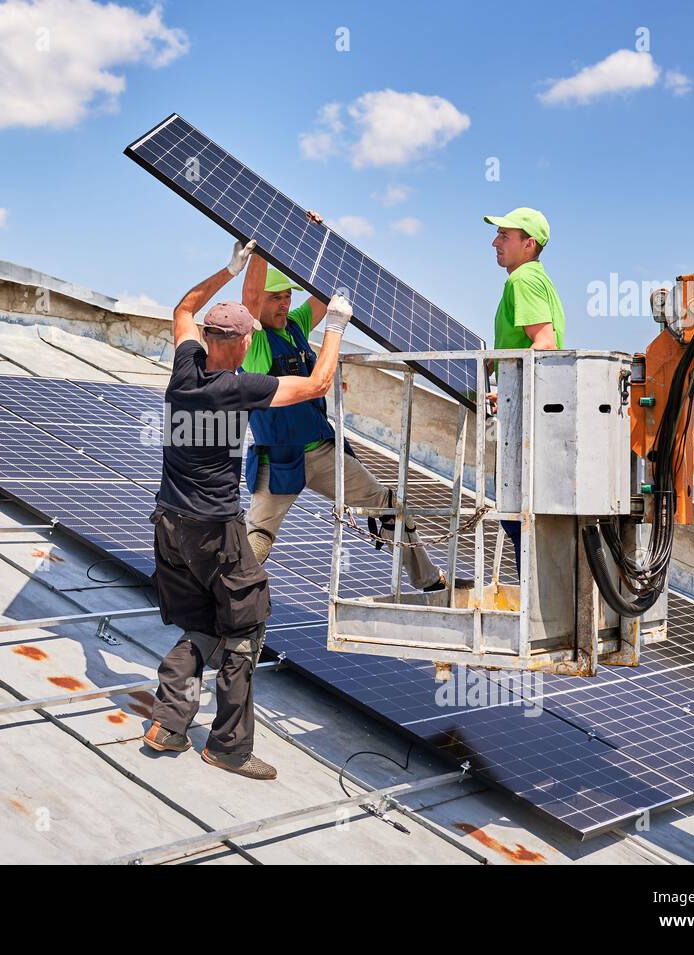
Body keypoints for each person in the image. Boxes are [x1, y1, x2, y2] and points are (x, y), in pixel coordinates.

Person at [143, 238, 352, 780]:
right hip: (214, 530)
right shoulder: (236, 388)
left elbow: (183, 309)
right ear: (237, 344)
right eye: (248, 337)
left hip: (169, 523)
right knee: (246, 622)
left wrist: (228, 269)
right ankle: (228, 746)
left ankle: (168, 726)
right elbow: (318, 383)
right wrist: (335, 327)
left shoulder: (185, 368)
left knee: (201, 625)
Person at [238, 216, 461, 592]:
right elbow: (247, 300)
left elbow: (323, 296)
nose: (283, 303)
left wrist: (314, 238)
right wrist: (261, 241)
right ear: (260, 302)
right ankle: (220, 601)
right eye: (275, 297)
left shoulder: (294, 326)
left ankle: (428, 580)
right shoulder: (256, 344)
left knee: (388, 503)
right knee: (256, 538)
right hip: (278, 460)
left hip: (322, 452)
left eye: (286, 296)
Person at [485, 207, 566, 559]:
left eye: (505, 236)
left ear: (528, 244)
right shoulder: (535, 277)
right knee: (522, 521)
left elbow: (544, 343)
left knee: (518, 518)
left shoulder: (523, 280)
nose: (495, 242)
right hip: (532, 410)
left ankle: (530, 612)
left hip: (527, 417)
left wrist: (507, 392)